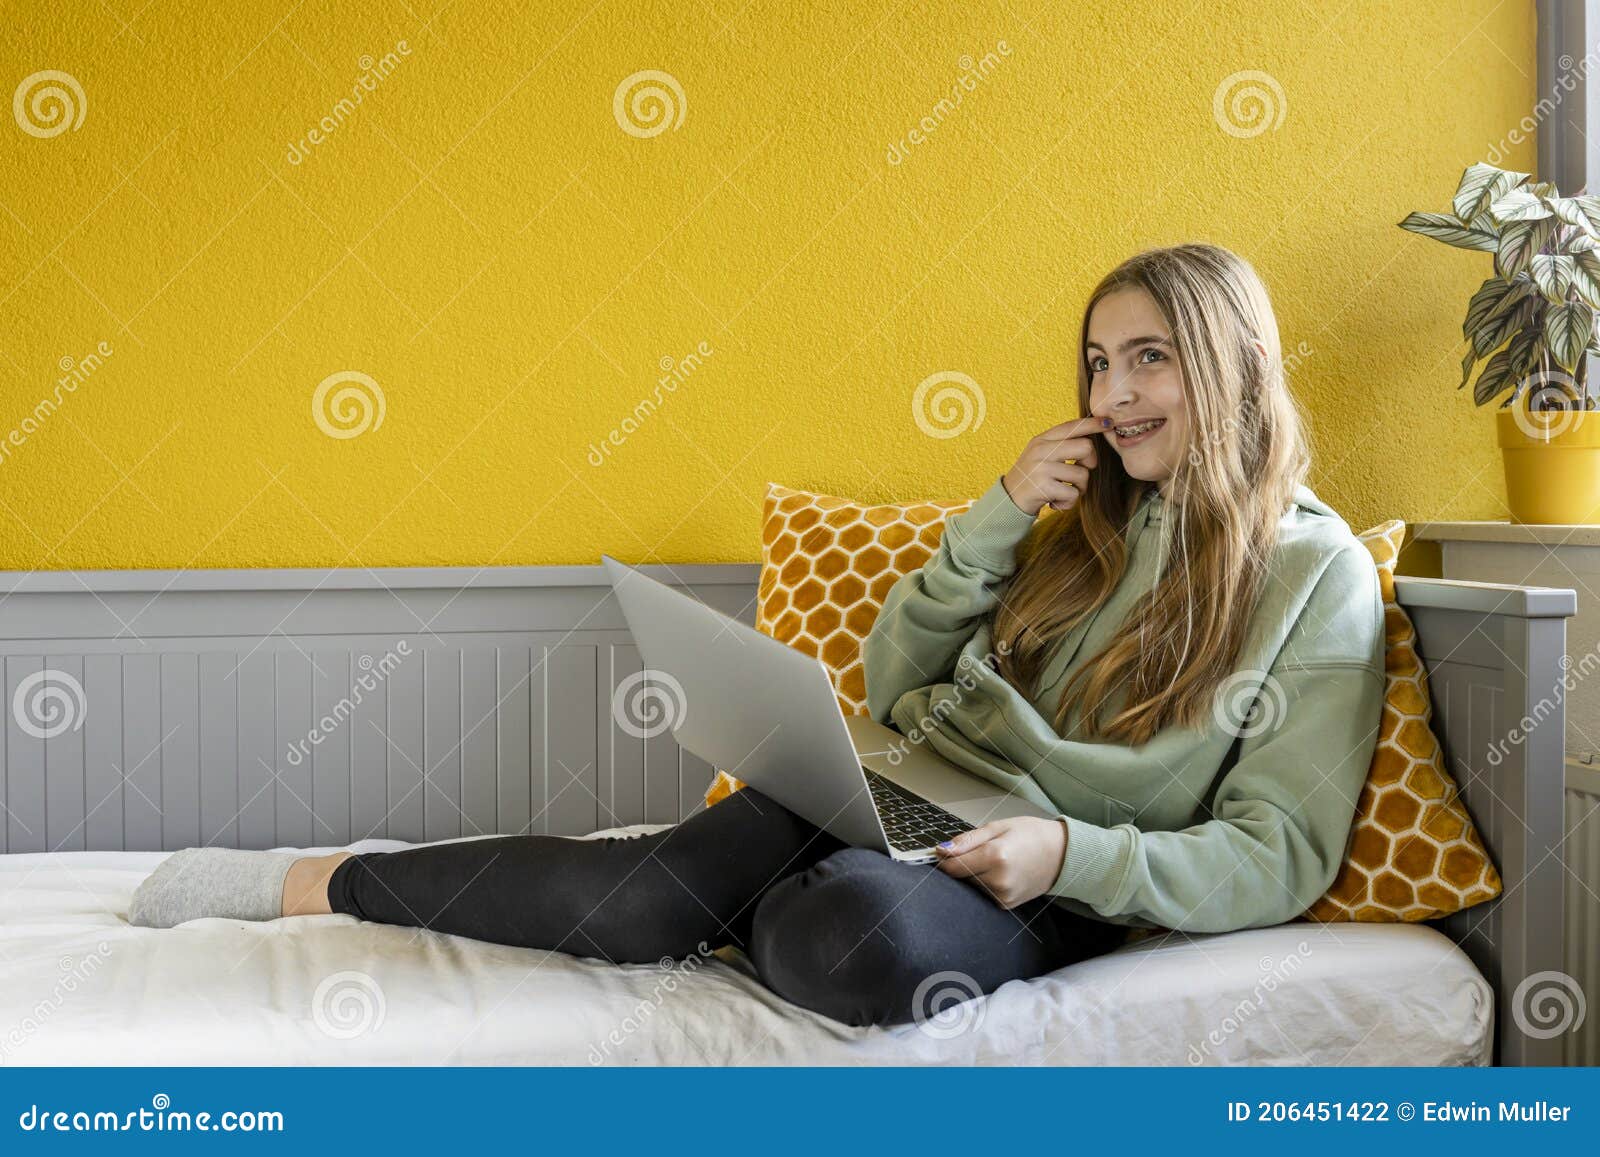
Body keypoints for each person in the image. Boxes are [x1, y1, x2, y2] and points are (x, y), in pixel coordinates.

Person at [129, 243, 1385, 1029]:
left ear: (1230, 367)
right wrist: (997, 518)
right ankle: (319, 877)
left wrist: (1066, 851)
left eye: (1147, 360)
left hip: (1049, 874)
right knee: (637, 896)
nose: (1109, 399)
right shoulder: (1078, 521)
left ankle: (769, 893)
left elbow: (1276, 852)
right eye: (1097, 363)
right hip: (899, 790)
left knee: (848, 940)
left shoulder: (1316, 576)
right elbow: (894, 683)